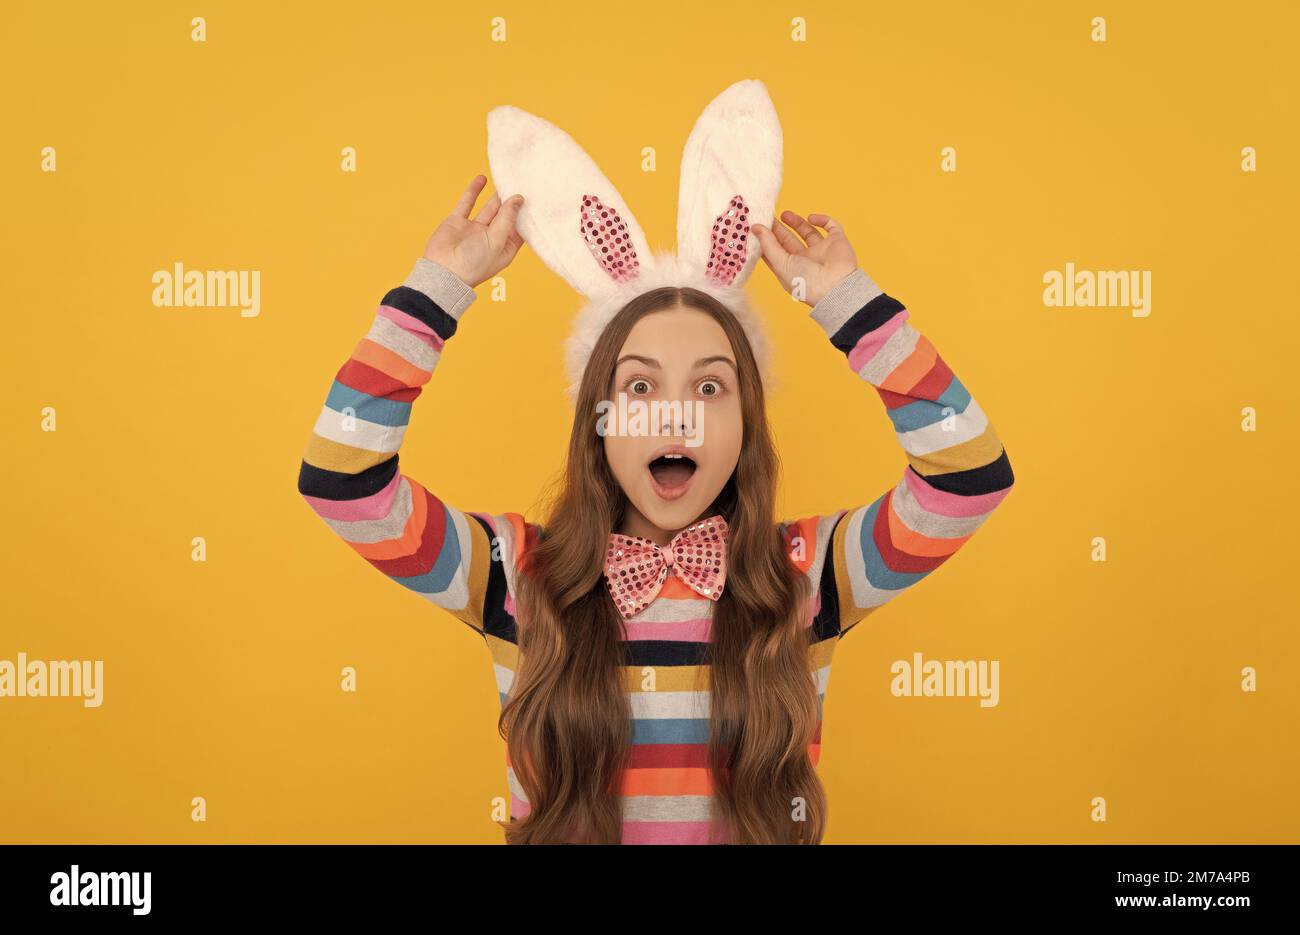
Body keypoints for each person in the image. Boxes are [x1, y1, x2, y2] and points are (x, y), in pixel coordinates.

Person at [297, 169, 1016, 844]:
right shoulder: (514, 573)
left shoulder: (810, 572)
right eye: (641, 388)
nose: (676, 420)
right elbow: (342, 478)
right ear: (600, 423)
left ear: (746, 426)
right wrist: (438, 289)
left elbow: (969, 477)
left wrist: (849, 302)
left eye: (710, 389)